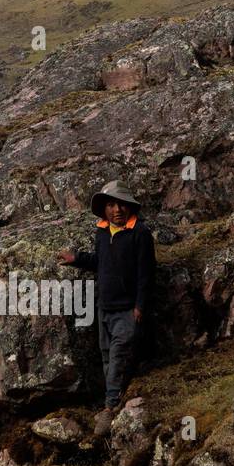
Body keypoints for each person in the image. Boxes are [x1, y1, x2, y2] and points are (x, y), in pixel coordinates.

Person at [57, 180, 156, 437]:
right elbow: (100, 262)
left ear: (130, 207)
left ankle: (110, 407)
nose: (117, 210)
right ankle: (118, 398)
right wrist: (76, 258)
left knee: (119, 354)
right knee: (106, 356)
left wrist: (140, 307)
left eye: (121, 204)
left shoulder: (140, 233)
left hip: (127, 309)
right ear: (104, 209)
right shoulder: (102, 231)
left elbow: (147, 274)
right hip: (105, 306)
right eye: (111, 205)